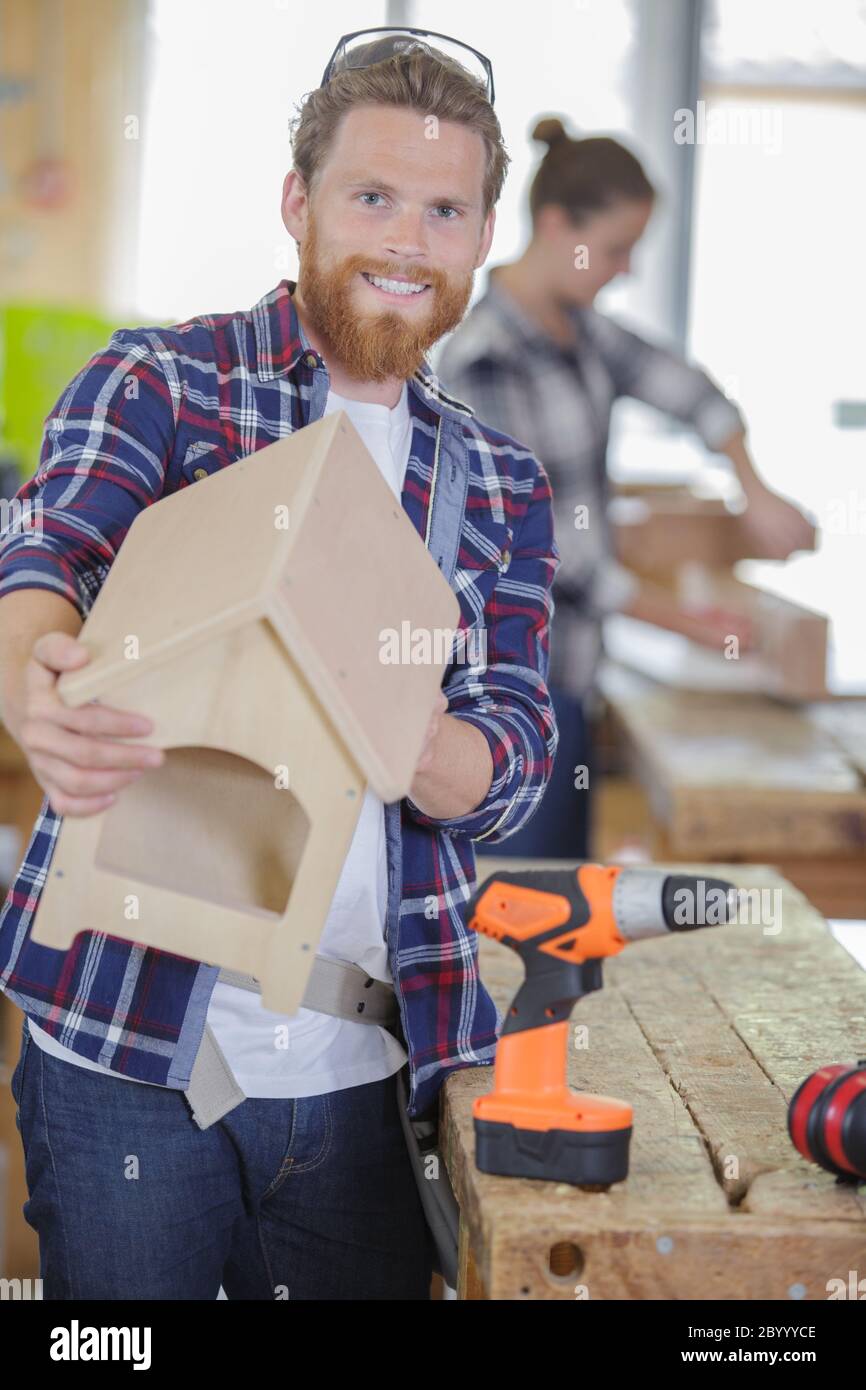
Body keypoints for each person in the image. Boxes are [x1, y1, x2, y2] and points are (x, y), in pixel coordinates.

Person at [0, 31, 559, 1300]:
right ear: (298, 203)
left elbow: (516, 750)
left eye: (442, 210)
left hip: (372, 1065)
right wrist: (35, 677)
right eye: (371, 197)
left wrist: (422, 739)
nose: (404, 241)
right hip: (125, 1049)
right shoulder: (162, 383)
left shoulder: (504, 486)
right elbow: (39, 556)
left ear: (479, 237)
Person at [436, 116, 815, 860]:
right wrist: (685, 621)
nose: (629, 269)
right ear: (555, 226)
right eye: (616, 249)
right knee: (521, 908)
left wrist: (754, 487)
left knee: (566, 901)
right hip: (513, 688)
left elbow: (691, 391)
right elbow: (549, 554)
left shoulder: (581, 331)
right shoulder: (487, 361)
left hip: (574, 678)